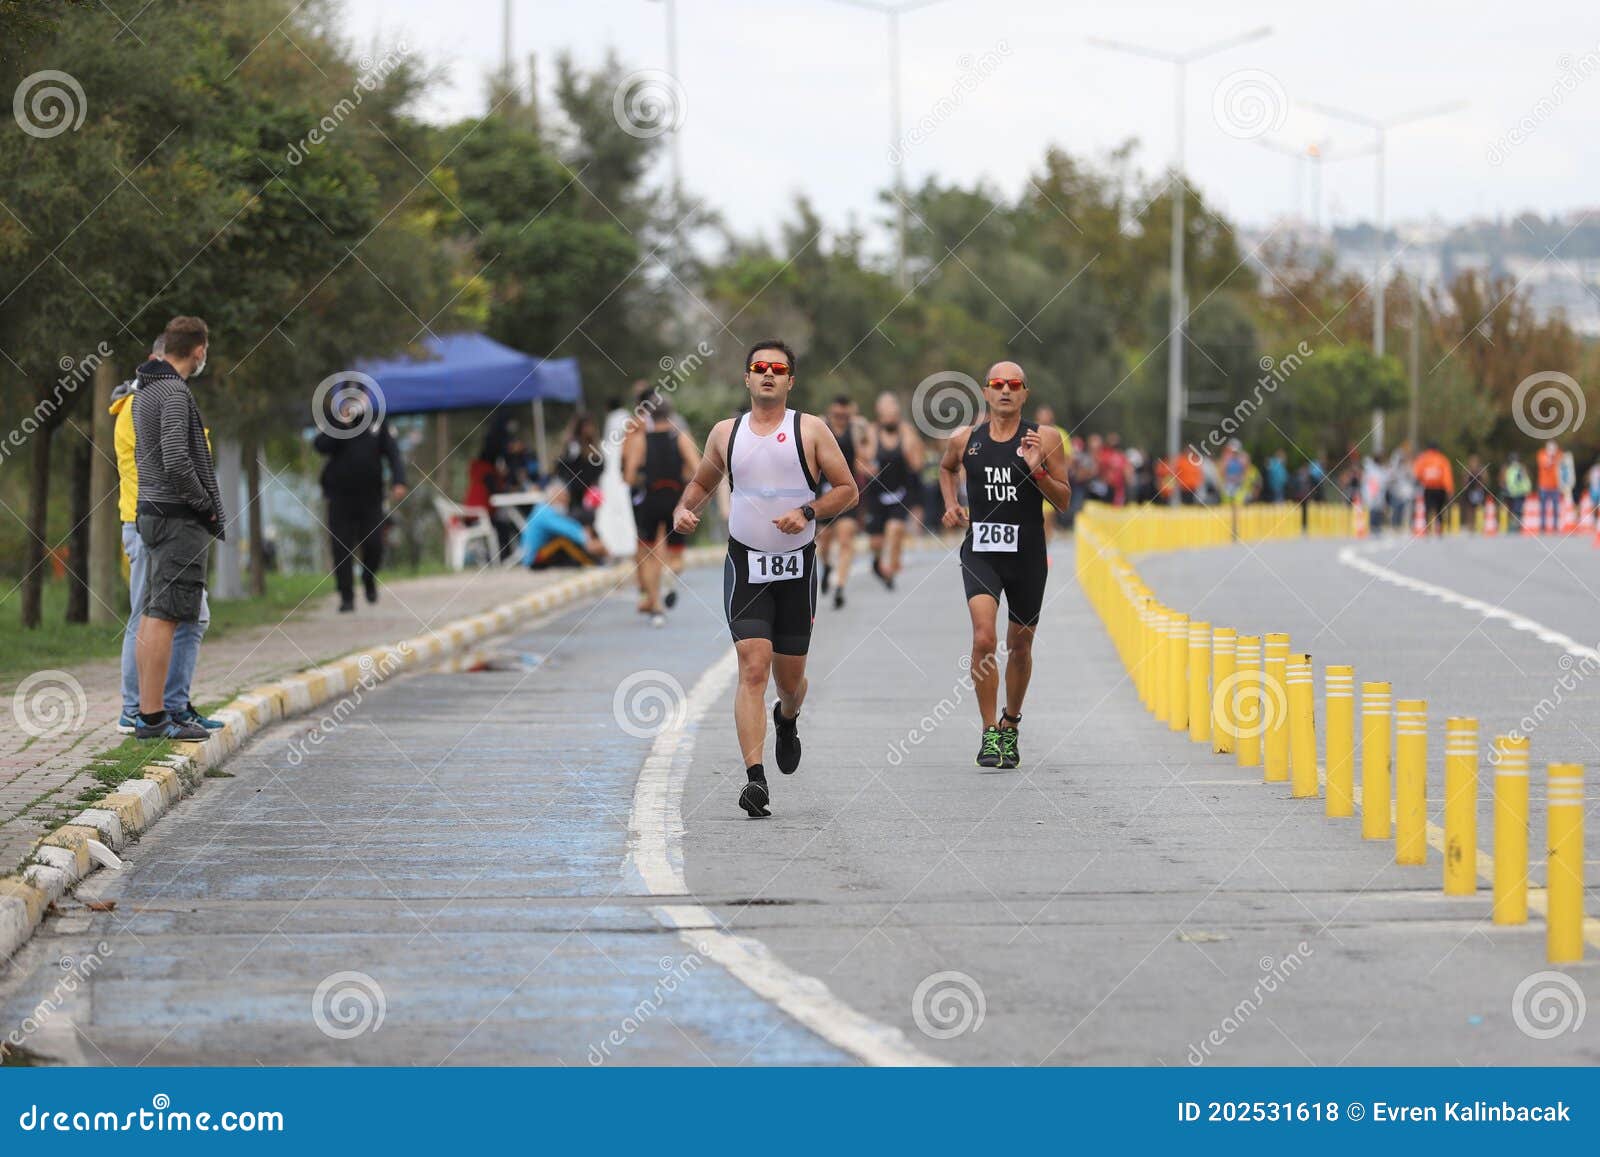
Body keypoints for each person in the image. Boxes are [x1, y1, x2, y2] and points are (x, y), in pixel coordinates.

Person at [672, 340, 858, 818]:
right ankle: (755, 779)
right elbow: (702, 483)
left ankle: (787, 716)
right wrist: (683, 509)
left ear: (790, 381)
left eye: (778, 368)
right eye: (760, 367)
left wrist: (808, 511)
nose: (768, 374)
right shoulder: (725, 433)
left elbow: (848, 490)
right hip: (746, 566)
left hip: (797, 568)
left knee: (789, 681)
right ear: (747, 378)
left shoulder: (810, 430)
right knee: (753, 666)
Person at [939, 361, 1071, 770]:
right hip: (981, 550)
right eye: (998, 384)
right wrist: (951, 504)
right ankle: (988, 732)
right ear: (985, 392)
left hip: (1028, 554)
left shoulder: (1044, 438)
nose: (1006, 390)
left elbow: (1064, 501)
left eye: (1014, 384)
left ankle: (1010, 722)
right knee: (984, 638)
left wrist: (1038, 470)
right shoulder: (966, 439)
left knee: (1020, 645)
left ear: (1025, 393)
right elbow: (946, 468)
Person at [110, 335, 221, 735]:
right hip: (152, 520)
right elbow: (170, 462)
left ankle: (169, 705)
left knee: (182, 616)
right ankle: (138, 708)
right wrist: (201, 502)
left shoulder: (158, 398)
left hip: (158, 519)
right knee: (150, 615)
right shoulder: (146, 402)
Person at [314, 387, 407, 611]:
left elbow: (393, 453)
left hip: (371, 497)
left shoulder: (377, 422)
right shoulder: (334, 422)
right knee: (341, 547)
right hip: (340, 497)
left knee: (374, 544)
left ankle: (368, 577)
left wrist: (399, 481)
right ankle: (346, 596)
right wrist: (342, 424)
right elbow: (320, 446)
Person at [622, 389, 699, 625]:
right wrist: (682, 477)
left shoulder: (640, 440)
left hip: (650, 500)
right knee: (675, 556)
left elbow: (629, 477)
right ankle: (669, 581)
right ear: (671, 414)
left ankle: (655, 606)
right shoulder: (681, 437)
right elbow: (697, 469)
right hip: (675, 500)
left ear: (649, 415)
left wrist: (643, 478)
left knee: (647, 555)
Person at [860, 391, 924, 590]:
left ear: (898, 414)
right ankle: (878, 562)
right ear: (879, 414)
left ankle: (891, 568)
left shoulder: (907, 432)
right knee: (876, 543)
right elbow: (860, 460)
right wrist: (868, 468)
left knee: (895, 528)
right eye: (885, 413)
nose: (890, 417)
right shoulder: (871, 432)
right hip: (877, 495)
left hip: (900, 493)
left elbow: (917, 464)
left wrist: (910, 449)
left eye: (893, 414)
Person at [816, 395, 866, 609]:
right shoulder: (821, 425)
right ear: (831, 409)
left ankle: (839, 586)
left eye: (845, 411)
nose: (841, 415)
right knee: (824, 542)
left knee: (846, 540)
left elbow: (864, 455)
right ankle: (827, 565)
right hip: (824, 495)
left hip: (846, 493)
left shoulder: (855, 429)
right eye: (837, 411)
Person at [521, 487, 609, 568]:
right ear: (555, 498)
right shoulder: (545, 513)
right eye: (563, 500)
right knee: (564, 540)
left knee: (569, 538)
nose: (566, 503)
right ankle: (592, 564)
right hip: (534, 558)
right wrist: (587, 540)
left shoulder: (541, 509)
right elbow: (567, 528)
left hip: (534, 553)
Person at [555, 413, 604, 526]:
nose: (590, 429)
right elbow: (563, 467)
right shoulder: (574, 446)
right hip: (576, 497)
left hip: (590, 495)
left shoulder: (594, 446)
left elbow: (599, 467)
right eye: (586, 426)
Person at [1413, 442, 1453, 534]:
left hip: (1428, 488)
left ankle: (1427, 528)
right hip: (1440, 489)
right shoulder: (1442, 459)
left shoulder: (1423, 458)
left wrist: (1420, 480)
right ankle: (1439, 528)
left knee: (1428, 508)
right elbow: (1447, 476)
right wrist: (1449, 489)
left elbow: (1417, 472)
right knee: (1439, 509)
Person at [1537, 439, 1562, 533]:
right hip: (1544, 485)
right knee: (1543, 507)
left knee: (1556, 507)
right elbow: (1546, 464)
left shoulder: (1559, 454)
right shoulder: (1542, 454)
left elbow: (1564, 464)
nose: (1552, 449)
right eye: (1550, 447)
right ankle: (1542, 526)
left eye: (1554, 447)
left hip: (1556, 485)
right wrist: (1551, 456)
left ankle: (1555, 526)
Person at [1502, 451, 1532, 526]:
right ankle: (1515, 523)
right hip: (1516, 492)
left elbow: (1525, 479)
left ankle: (1516, 523)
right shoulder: (1517, 468)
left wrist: (1527, 488)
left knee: (1516, 508)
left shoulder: (1515, 468)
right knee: (1515, 508)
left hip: (1516, 492)